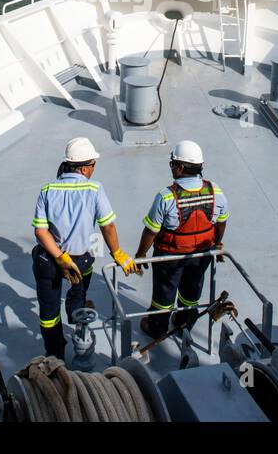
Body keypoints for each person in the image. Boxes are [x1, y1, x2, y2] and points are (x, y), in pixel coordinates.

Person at [31, 137, 138, 358]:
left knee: (49, 313)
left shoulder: (47, 189)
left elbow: (41, 231)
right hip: (80, 260)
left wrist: (60, 257)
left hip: (49, 261)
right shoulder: (94, 189)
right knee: (78, 293)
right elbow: (107, 225)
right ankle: (76, 317)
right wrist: (117, 252)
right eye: (93, 165)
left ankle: (55, 355)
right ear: (85, 167)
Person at [134, 140, 230, 340]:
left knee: (164, 294)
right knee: (191, 291)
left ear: (179, 167)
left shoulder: (167, 197)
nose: (171, 168)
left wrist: (141, 255)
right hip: (201, 255)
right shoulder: (215, 191)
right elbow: (221, 222)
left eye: (172, 164)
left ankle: (157, 328)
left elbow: (151, 231)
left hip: (169, 257)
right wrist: (218, 244)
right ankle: (184, 322)